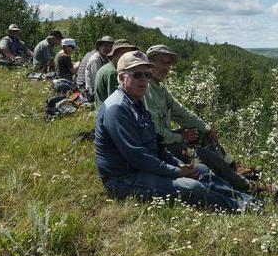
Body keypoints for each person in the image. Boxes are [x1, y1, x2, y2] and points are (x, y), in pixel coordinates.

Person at [94, 51, 258, 211]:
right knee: (191, 186)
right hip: (123, 180)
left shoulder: (136, 104)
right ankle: (241, 207)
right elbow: (137, 157)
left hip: (142, 169)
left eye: (147, 75)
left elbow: (156, 146)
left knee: (200, 169)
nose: (144, 80)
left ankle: (244, 198)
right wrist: (177, 171)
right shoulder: (117, 108)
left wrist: (181, 165)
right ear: (122, 78)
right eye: (137, 75)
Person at [143, 44, 254, 193]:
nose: (166, 67)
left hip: (166, 139)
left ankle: (232, 168)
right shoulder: (146, 89)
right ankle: (246, 186)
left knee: (202, 133)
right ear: (149, 63)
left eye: (168, 63)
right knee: (205, 156)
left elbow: (182, 112)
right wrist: (179, 136)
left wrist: (206, 128)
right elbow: (156, 133)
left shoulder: (160, 88)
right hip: (159, 146)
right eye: (161, 62)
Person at [93, 39, 138, 109]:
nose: (128, 57)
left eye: (130, 54)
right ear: (115, 54)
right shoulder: (113, 72)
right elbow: (116, 102)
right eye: (124, 53)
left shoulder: (109, 67)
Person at [77, 36, 115, 101]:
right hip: (91, 91)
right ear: (99, 47)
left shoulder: (104, 58)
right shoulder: (96, 59)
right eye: (105, 46)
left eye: (110, 47)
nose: (108, 48)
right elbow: (97, 81)